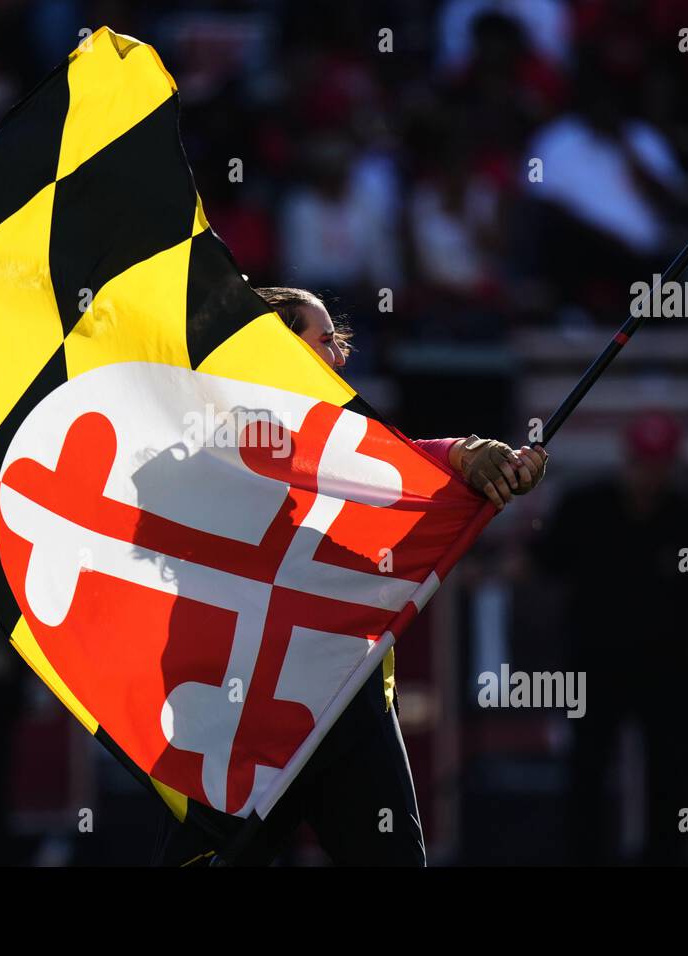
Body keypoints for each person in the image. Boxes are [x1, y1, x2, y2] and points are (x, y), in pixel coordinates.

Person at [150, 286, 548, 866]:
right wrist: (461, 459)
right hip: (235, 715)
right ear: (274, 349)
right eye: (323, 340)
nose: (340, 358)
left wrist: (478, 459)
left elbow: (395, 474)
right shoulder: (209, 443)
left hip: (345, 700)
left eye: (340, 340)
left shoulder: (337, 445)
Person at [534, 411, 688, 863]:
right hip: (596, 664)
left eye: (658, 464)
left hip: (669, 668)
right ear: (628, 459)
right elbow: (542, 563)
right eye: (642, 462)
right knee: (587, 771)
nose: (649, 475)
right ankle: (584, 857)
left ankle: (668, 855)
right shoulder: (586, 508)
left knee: (672, 775)